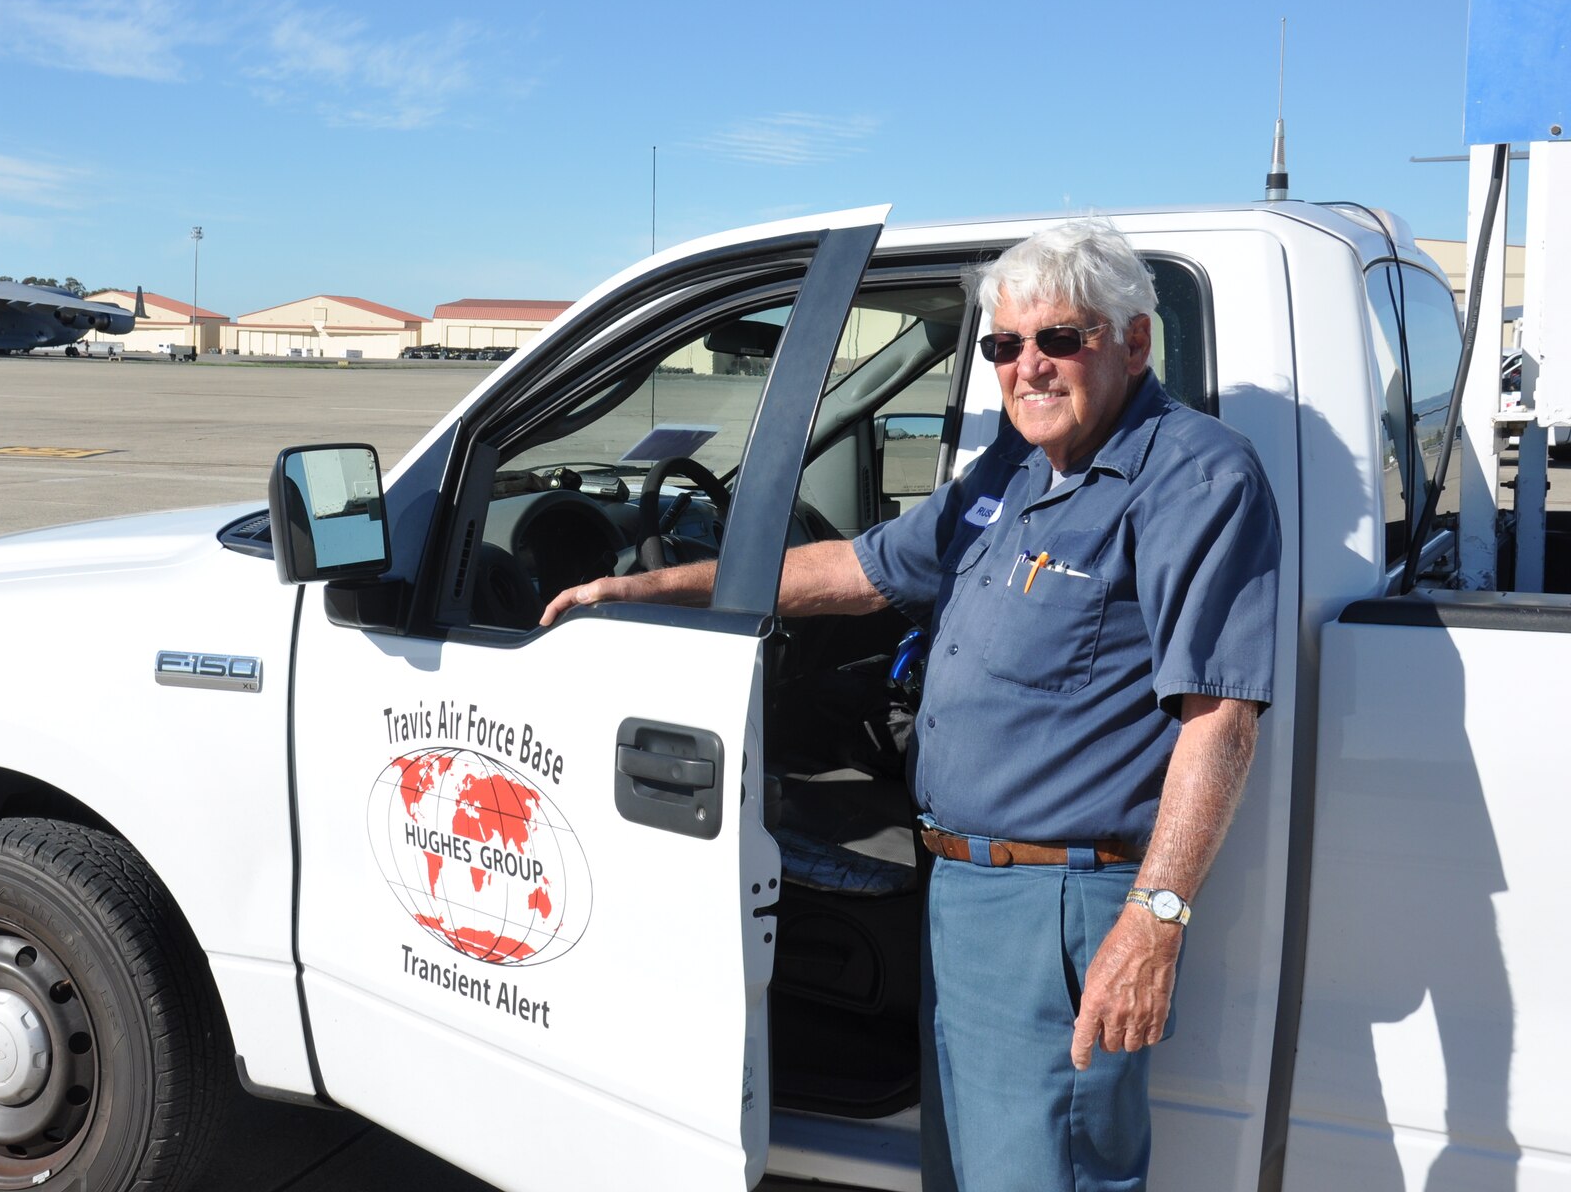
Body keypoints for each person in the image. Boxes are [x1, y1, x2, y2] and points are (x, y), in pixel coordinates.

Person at [540, 218, 1279, 1191]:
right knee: (968, 1170)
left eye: (1059, 338)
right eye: (1004, 346)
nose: (1027, 366)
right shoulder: (1012, 469)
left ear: (1132, 341)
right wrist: (650, 587)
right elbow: (862, 567)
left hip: (1061, 908)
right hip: (962, 891)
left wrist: (1154, 919)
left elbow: (1217, 718)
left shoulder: (1193, 477)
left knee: (1041, 1173)